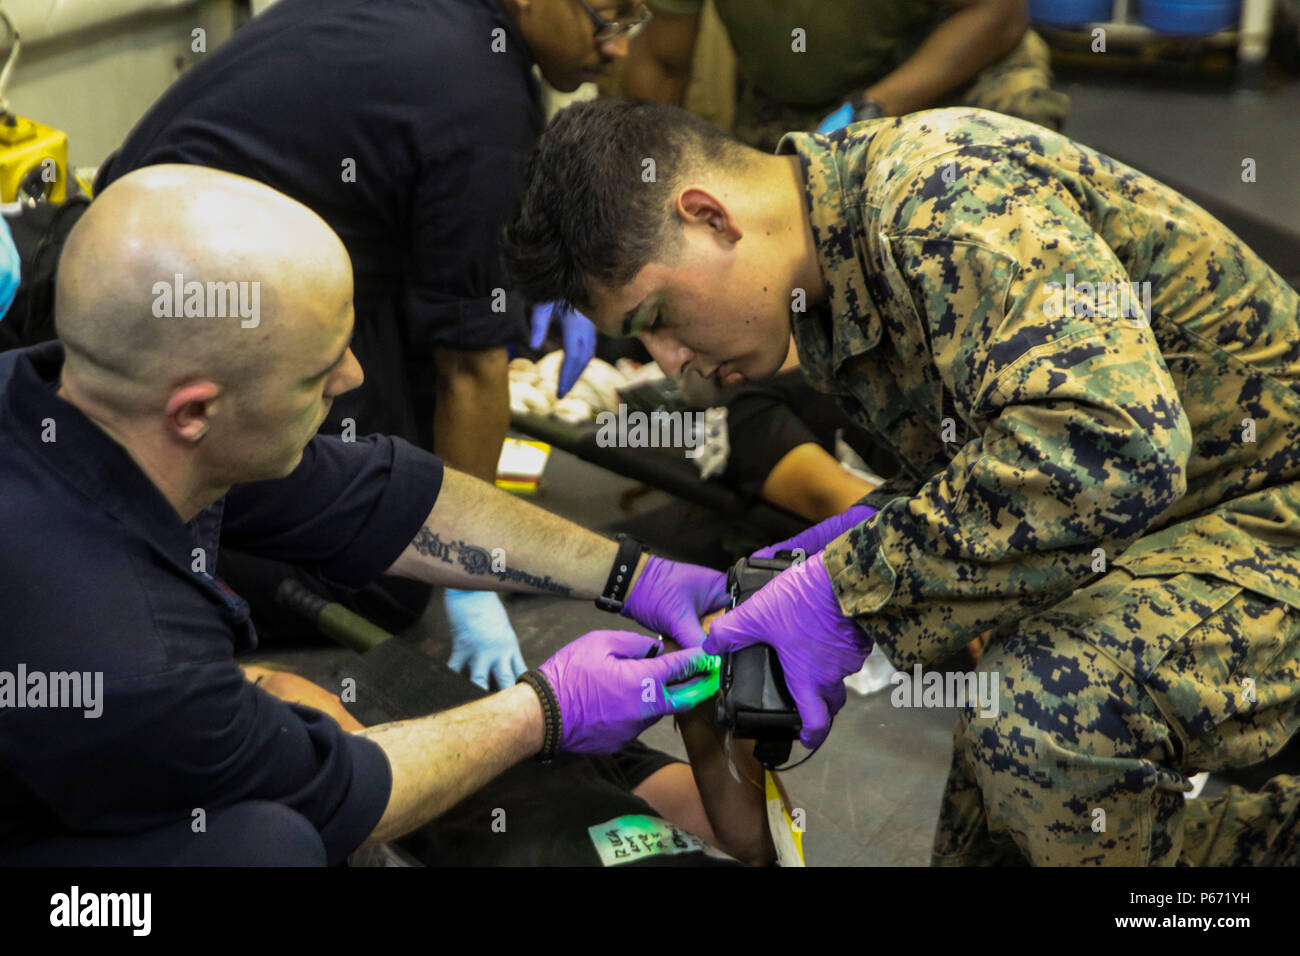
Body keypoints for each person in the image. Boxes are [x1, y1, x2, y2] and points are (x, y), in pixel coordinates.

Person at [501, 98, 1300, 865]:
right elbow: (1000, 459)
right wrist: (836, 555)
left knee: (1050, 711)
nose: (670, 364)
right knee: (993, 821)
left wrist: (842, 592)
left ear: (710, 216)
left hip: (1272, 507)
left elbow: (1116, 448)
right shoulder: (829, 282)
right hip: (1182, 509)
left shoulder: (941, 206)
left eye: (655, 319)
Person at [0, 164, 774, 865]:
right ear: (194, 410)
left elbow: (381, 499)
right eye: (317, 373)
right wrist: (545, 708)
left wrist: (632, 574)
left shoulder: (79, 406)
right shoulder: (128, 656)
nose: (354, 374)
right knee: (260, 846)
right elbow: (334, 795)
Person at [93, 0, 649, 687]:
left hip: (129, 251)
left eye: (634, 21)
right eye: (608, 17)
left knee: (411, 443)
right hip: (174, 306)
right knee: (386, 574)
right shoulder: (482, 96)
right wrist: (471, 574)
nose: (619, 47)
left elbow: (443, 261)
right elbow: (470, 369)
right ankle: (137, 549)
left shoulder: (446, 28)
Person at [622, 0, 1069, 151]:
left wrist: (872, 108)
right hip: (796, 103)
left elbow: (1000, 12)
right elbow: (663, 64)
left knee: (1014, 144)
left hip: (939, 75)